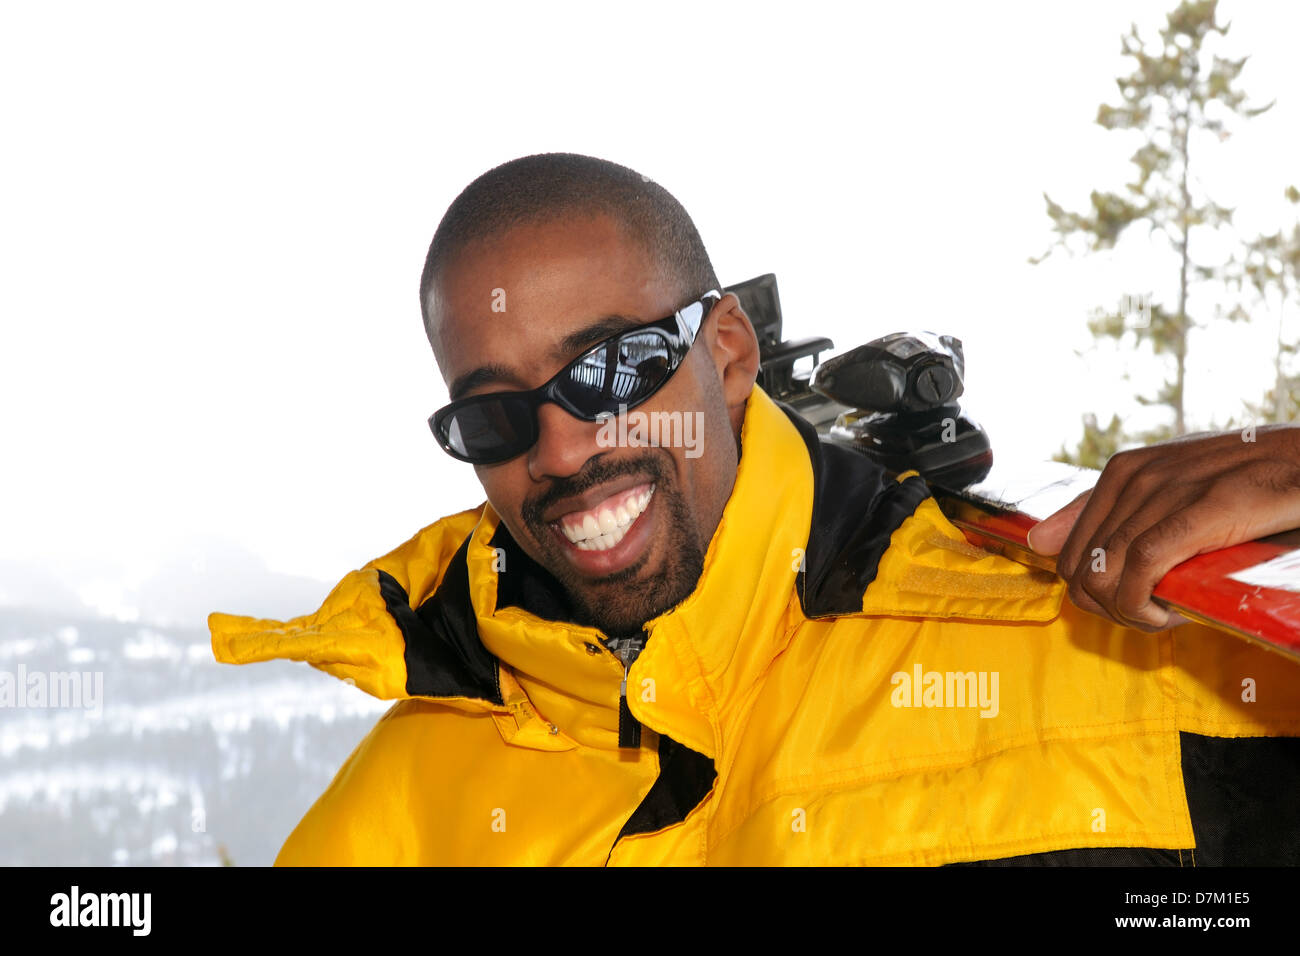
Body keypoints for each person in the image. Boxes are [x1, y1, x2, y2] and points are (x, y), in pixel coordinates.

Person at [209, 153, 1300, 865]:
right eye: (492, 417)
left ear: (725, 353)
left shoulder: (1131, 655)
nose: (560, 447)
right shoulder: (401, 814)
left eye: (611, 366)